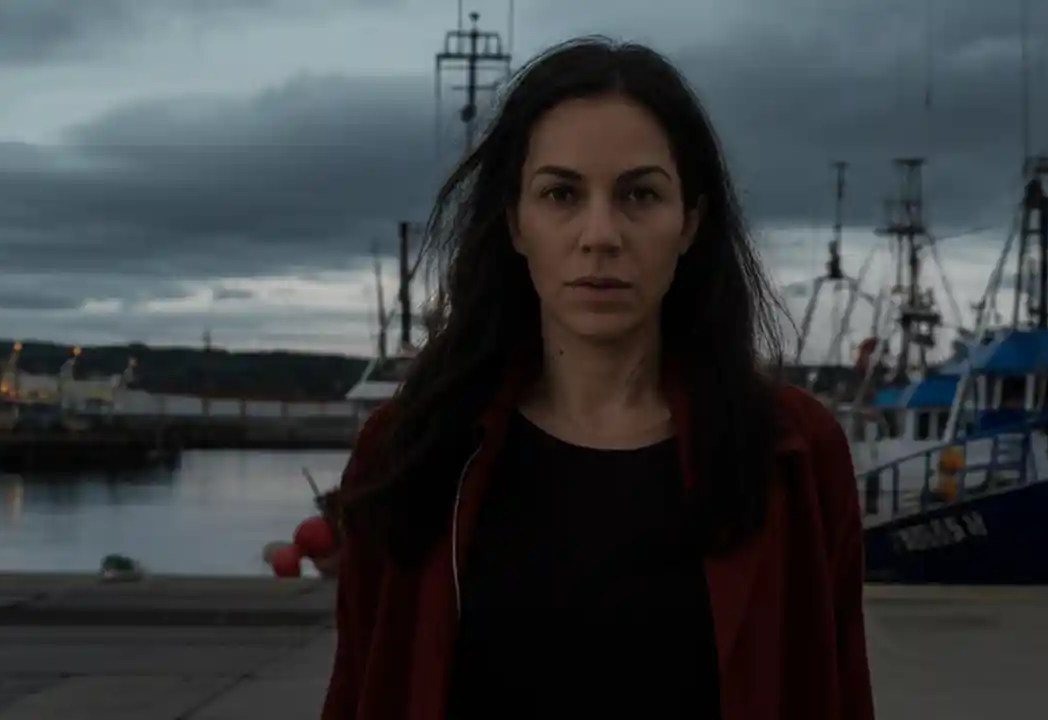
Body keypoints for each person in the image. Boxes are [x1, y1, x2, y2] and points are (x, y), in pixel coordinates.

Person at [321, 36, 873, 720]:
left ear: (690, 222)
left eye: (640, 194)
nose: (600, 234)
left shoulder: (793, 453)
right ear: (515, 223)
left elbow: (839, 693)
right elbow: (357, 692)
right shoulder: (409, 452)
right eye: (560, 193)